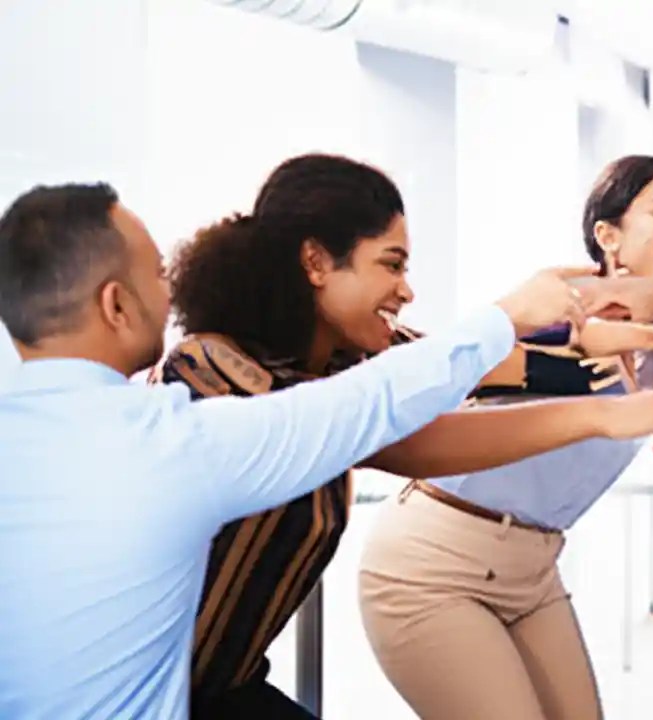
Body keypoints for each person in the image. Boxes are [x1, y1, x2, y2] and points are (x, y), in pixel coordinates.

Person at [0, 181, 601, 719]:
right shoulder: (181, 424)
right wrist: (512, 320)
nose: (169, 290)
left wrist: (592, 349)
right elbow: (372, 407)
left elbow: (422, 374)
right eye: (156, 274)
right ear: (115, 304)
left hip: (228, 686)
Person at [153, 153, 653, 719]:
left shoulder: (354, 357)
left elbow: (455, 371)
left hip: (228, 680)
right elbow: (398, 433)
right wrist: (548, 346)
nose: (406, 290)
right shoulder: (215, 372)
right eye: (391, 265)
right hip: (146, 691)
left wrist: (587, 359)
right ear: (316, 262)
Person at [355, 155, 653, 720]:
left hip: (533, 567)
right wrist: (579, 347)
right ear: (607, 236)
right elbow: (465, 366)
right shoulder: (563, 308)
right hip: (434, 565)